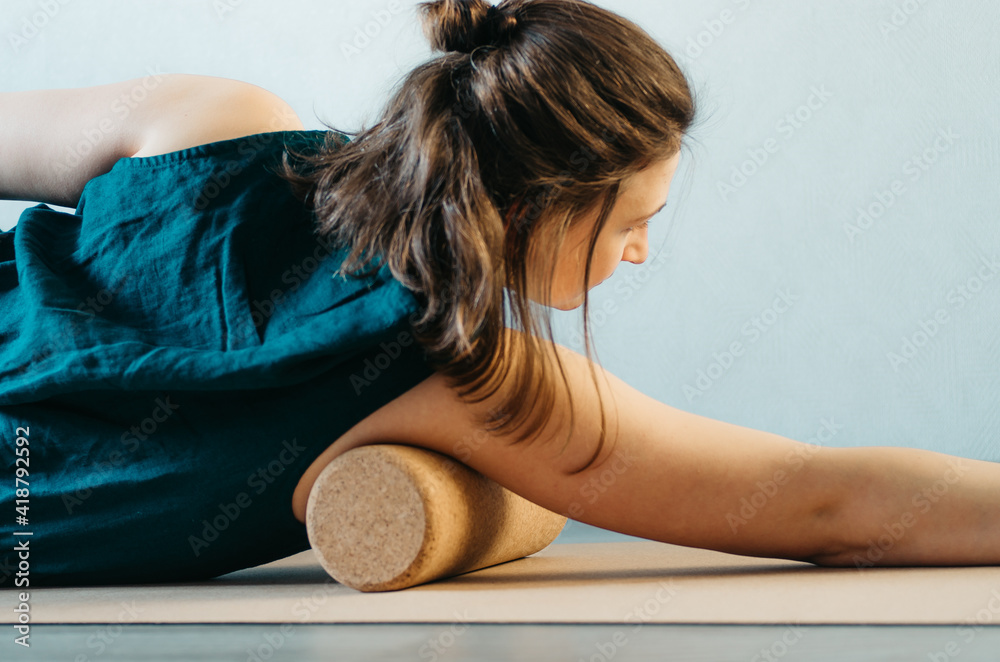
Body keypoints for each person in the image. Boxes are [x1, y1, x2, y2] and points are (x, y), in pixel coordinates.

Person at [1, 0, 998, 588]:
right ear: (530, 212)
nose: (642, 253)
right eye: (631, 221)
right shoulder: (478, 385)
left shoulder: (214, 119)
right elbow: (825, 500)